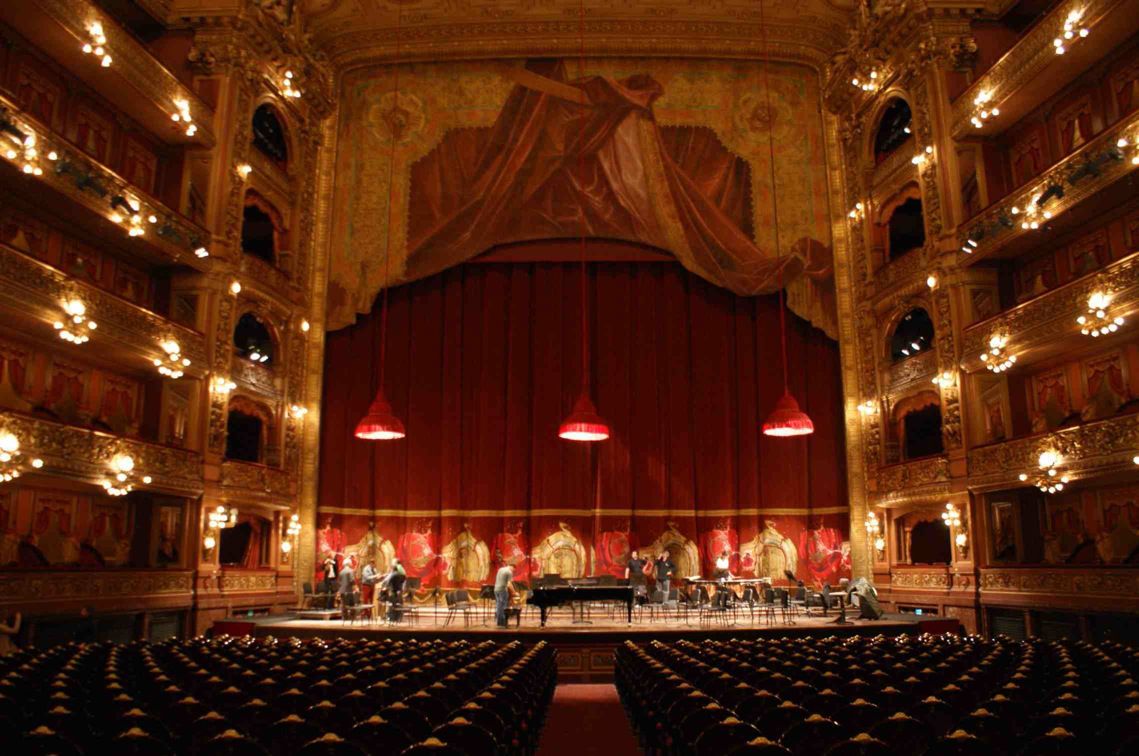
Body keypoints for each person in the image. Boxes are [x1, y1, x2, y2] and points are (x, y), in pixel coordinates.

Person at [382, 558, 407, 623]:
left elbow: (388, 580)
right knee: (397, 603)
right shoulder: (399, 570)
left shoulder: (398, 569)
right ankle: (397, 617)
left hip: (395, 589)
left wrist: (385, 587)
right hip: (398, 589)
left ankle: (392, 617)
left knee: (393, 603)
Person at [493, 563, 517, 628]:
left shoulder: (500, 569)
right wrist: (514, 592)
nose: (513, 571)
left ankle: (499, 623)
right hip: (503, 590)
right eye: (513, 570)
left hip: (496, 590)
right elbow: (509, 584)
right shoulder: (509, 572)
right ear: (512, 567)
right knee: (504, 607)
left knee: (498, 606)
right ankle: (503, 624)